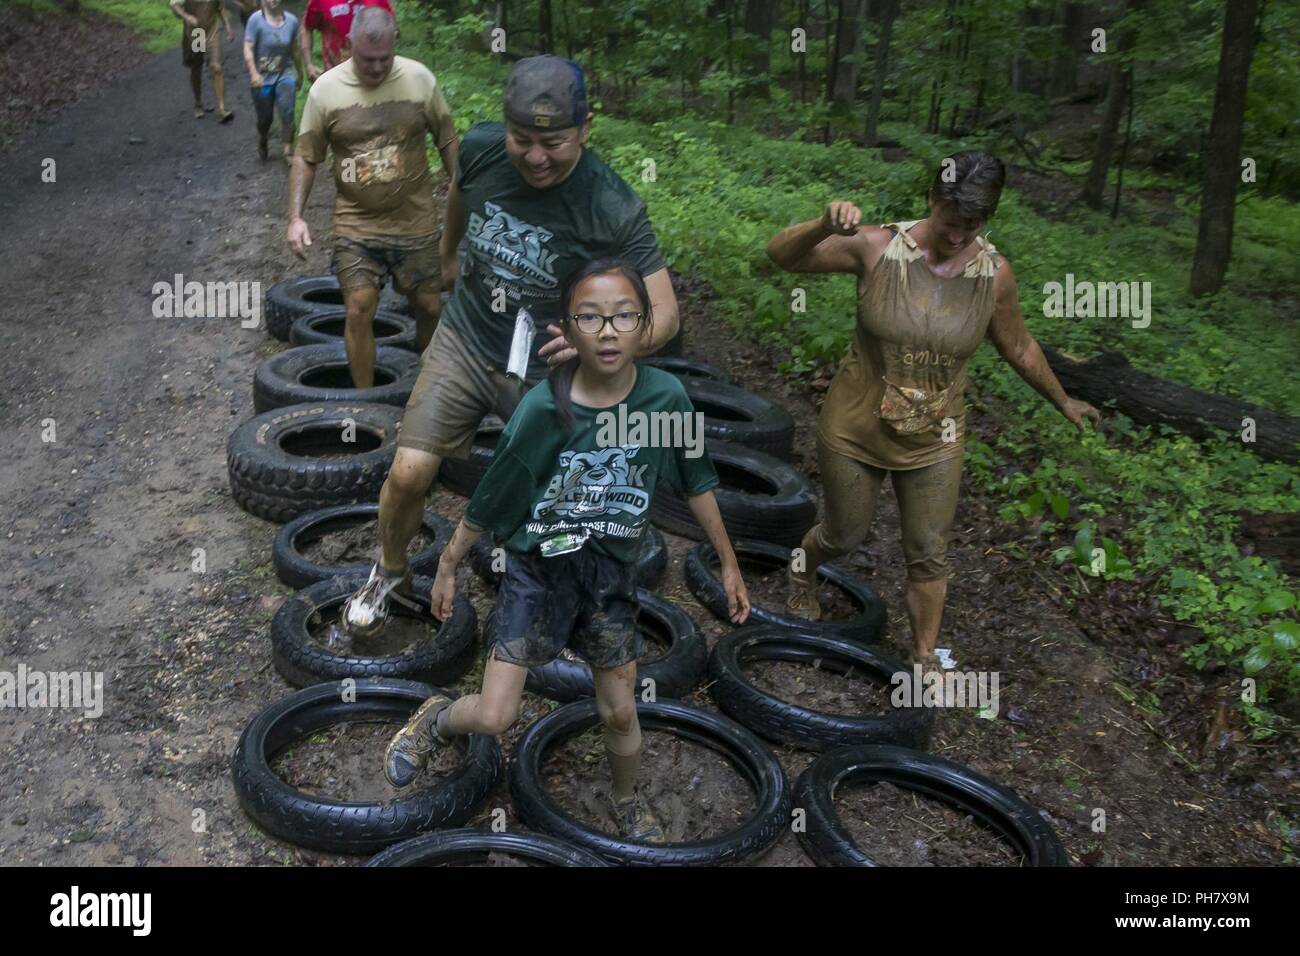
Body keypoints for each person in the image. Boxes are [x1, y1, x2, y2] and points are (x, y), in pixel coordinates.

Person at [382, 259, 750, 842]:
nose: (608, 331)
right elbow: (494, 496)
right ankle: (438, 720)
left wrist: (729, 562)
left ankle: (628, 798)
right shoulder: (542, 410)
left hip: (611, 576)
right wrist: (449, 562)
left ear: (646, 323)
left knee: (621, 710)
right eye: (591, 318)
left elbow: (698, 481)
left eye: (625, 315)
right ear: (568, 329)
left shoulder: (666, 400)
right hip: (538, 572)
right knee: (498, 714)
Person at [340, 54, 681, 636]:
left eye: (555, 142)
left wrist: (603, 346)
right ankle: (390, 571)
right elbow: (460, 194)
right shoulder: (481, 149)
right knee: (408, 472)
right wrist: (448, 258)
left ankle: (565, 607)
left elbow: (666, 313)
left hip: (550, 366)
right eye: (523, 139)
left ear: (586, 129)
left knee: (569, 502)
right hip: (468, 340)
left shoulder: (611, 206)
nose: (536, 157)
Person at [766, 151, 1102, 670]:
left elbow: (1019, 346)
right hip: (856, 425)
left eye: (974, 223)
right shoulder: (877, 248)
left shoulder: (994, 275)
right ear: (932, 200)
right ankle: (803, 569)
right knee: (844, 534)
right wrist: (821, 223)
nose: (958, 235)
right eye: (951, 219)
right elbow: (781, 256)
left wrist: (1065, 400)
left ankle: (924, 657)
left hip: (934, 439)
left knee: (929, 550)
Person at [288, 6, 457, 386]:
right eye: (368, 60)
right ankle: (367, 400)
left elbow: (446, 138)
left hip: (415, 219)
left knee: (430, 305)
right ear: (348, 45)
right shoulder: (326, 91)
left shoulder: (420, 80)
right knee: (359, 309)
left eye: (385, 59)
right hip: (357, 223)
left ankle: (429, 389)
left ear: (396, 42)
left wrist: (462, 190)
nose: (378, 69)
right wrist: (296, 217)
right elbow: (306, 156)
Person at [242, 0, 303, 164]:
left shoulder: (291, 21)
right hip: (262, 80)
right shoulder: (256, 20)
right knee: (265, 118)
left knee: (287, 112)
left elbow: (295, 49)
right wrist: (254, 73)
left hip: (285, 74)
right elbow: (248, 47)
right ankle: (263, 137)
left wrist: (300, 72)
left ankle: (287, 150)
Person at [170, 0, 234, 122]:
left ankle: (221, 108)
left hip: (212, 32)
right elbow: (174, 4)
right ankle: (198, 103)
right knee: (196, 67)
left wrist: (227, 26)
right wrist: (186, 16)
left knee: (216, 67)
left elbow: (220, 8)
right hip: (196, 33)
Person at [300, 0, 394, 81]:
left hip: (373, 72)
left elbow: (392, 30)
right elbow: (307, 27)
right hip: (335, 74)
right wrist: (309, 64)